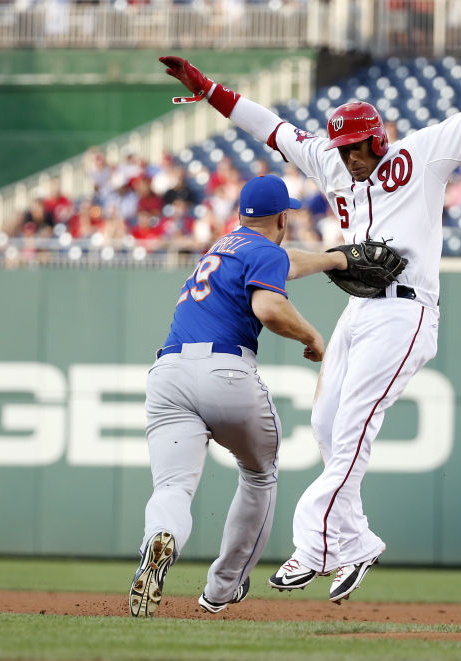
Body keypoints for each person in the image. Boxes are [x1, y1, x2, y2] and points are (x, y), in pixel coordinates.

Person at [158, 23, 461, 603]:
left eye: (356, 146)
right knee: (330, 427)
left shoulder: (422, 155)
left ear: (377, 140)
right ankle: (356, 544)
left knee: (355, 424)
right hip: (358, 311)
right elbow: (268, 127)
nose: (347, 156)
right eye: (342, 147)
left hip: (406, 313)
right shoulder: (330, 164)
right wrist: (207, 88)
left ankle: (312, 545)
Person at [128, 175, 327, 617]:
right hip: (226, 370)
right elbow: (270, 307)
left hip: (168, 372)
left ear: (240, 217)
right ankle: (222, 588)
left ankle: (162, 536)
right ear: (282, 218)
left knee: (173, 486)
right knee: (260, 474)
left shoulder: (222, 246)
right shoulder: (267, 251)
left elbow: (284, 261)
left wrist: (333, 260)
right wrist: (315, 337)